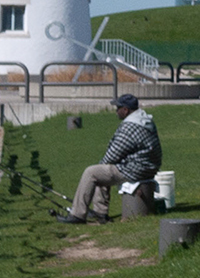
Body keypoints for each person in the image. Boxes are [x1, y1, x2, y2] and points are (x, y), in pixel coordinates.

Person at [58, 94, 161, 223]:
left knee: (91, 172)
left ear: (125, 110)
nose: (115, 111)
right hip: (148, 167)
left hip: (136, 170)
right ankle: (100, 213)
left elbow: (112, 155)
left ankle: (77, 215)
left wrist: (102, 165)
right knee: (101, 171)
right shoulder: (144, 120)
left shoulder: (130, 127)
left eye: (118, 108)